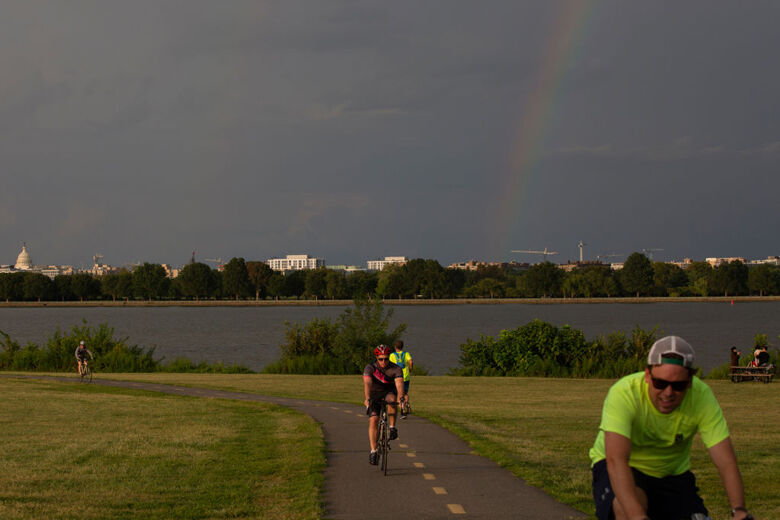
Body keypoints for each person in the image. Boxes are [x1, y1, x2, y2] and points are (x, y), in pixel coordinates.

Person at [589, 336, 753, 520]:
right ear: (647, 376)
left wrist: (739, 510)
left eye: (678, 386)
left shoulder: (701, 396)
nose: (668, 393)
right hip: (625, 466)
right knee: (626, 509)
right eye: (660, 383)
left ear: (690, 382)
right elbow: (616, 460)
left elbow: (726, 462)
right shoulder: (624, 393)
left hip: (671, 473)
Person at [363, 344, 405, 465]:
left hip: (388, 392)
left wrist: (401, 399)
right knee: (374, 420)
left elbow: (399, 384)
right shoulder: (370, 368)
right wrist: (367, 398)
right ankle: (373, 451)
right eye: (380, 359)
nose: (383, 361)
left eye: (386, 358)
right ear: (377, 358)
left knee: (392, 399)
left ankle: (392, 427)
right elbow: (367, 383)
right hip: (374, 394)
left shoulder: (396, 368)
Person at [389, 339, 413, 418]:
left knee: (398, 395)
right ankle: (406, 403)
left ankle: (403, 410)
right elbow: (410, 362)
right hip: (406, 376)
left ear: (395, 346)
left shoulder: (392, 355)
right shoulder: (406, 354)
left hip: (397, 377)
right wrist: (410, 369)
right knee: (405, 393)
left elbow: (389, 365)